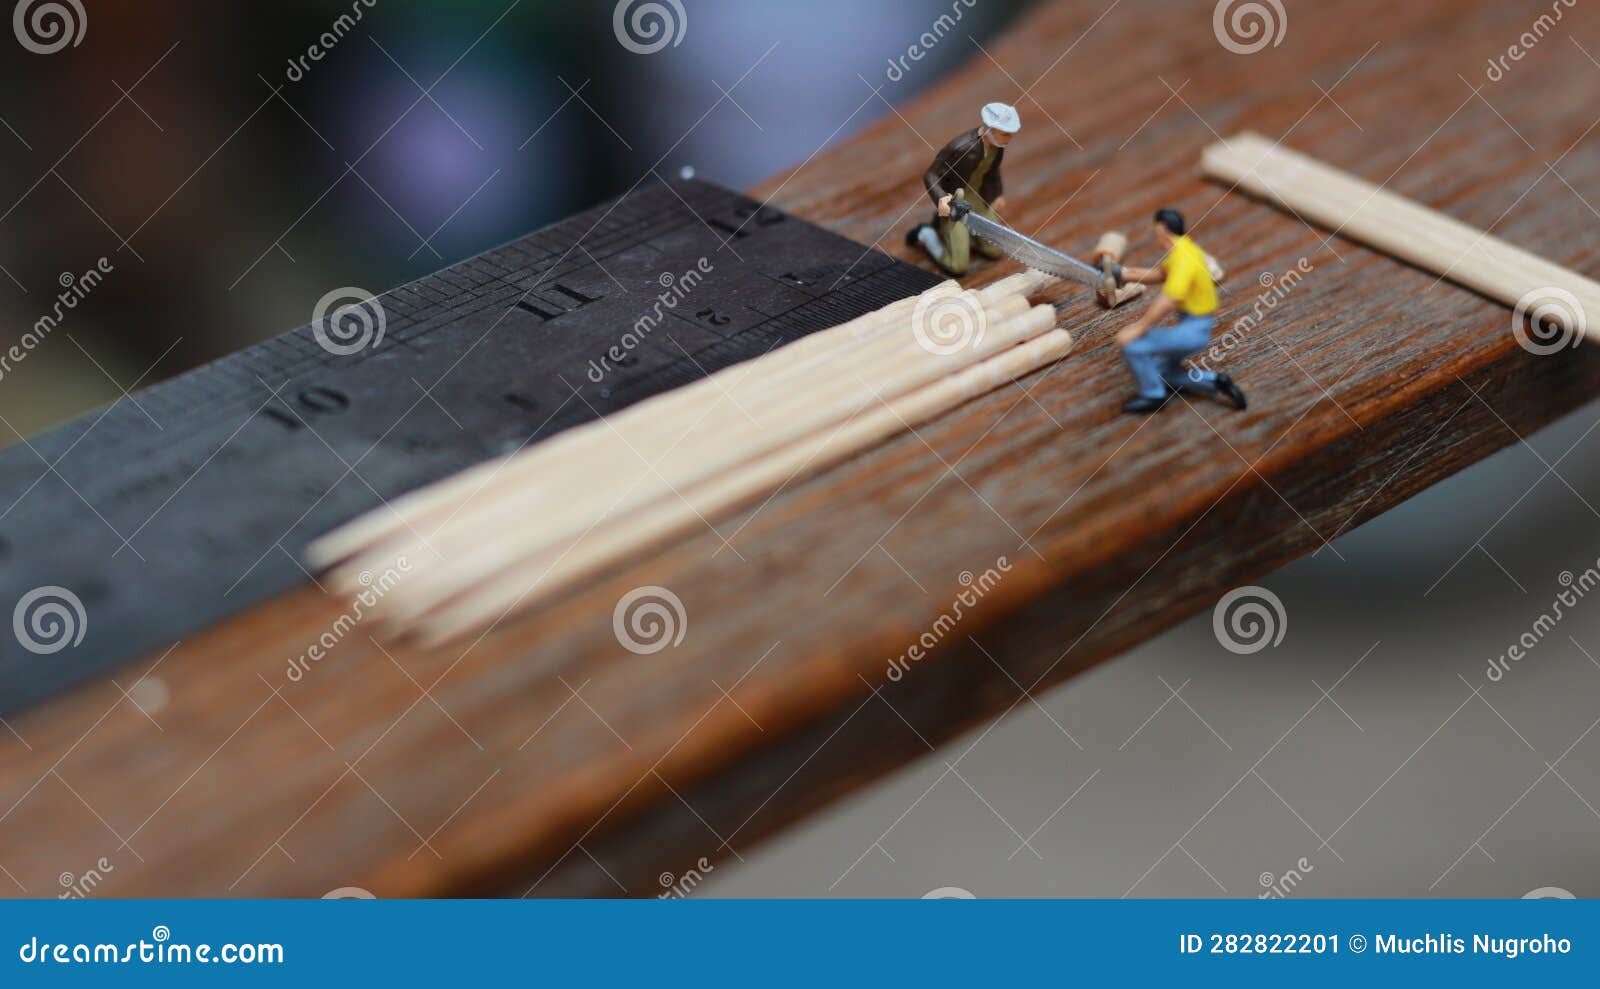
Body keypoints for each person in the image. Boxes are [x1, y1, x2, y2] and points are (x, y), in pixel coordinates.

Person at [1114, 209, 1247, 414]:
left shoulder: (1183, 259)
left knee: (1134, 346)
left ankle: (1153, 396)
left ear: (1162, 229)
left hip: (1194, 329)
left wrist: (1138, 328)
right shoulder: (1185, 249)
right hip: (1196, 324)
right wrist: (1123, 274)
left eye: (1156, 229)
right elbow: (1159, 274)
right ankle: (1215, 382)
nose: (1155, 234)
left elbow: (1169, 300)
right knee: (1163, 371)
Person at [905, 102, 1020, 276]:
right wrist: (941, 199)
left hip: (980, 200)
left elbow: (992, 172)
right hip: (956, 204)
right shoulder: (962, 147)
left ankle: (968, 236)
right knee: (957, 266)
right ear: (990, 129)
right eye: (1005, 133)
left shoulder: (998, 147)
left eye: (1011, 134)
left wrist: (997, 194)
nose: (1009, 138)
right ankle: (927, 235)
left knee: (995, 251)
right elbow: (930, 174)